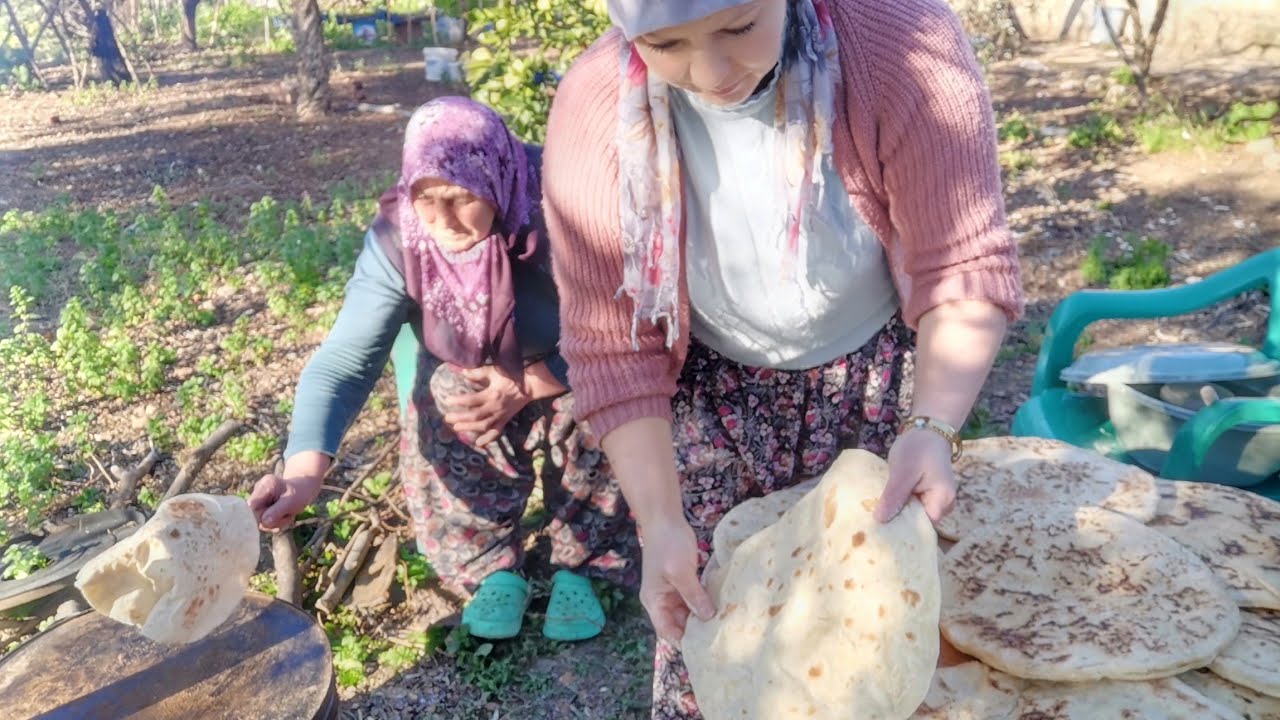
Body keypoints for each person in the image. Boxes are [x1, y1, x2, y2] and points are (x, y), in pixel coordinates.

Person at [541, 0, 1024, 716]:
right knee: (727, 638)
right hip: (706, 401)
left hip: (873, 384)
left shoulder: (902, 47)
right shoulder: (595, 107)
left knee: (878, 651)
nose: (711, 72)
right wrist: (661, 523)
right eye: (667, 44)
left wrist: (932, 425)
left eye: (738, 27)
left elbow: (960, 262)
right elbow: (614, 343)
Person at [249, 97, 639, 643]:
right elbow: (344, 360)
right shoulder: (401, 238)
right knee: (448, 393)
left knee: (602, 406)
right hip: (471, 366)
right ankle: (492, 568)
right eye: (426, 200)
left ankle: (587, 562)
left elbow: (630, 322)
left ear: (496, 181)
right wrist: (302, 474)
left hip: (581, 355)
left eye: (461, 198)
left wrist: (531, 383)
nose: (443, 221)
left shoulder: (565, 208)